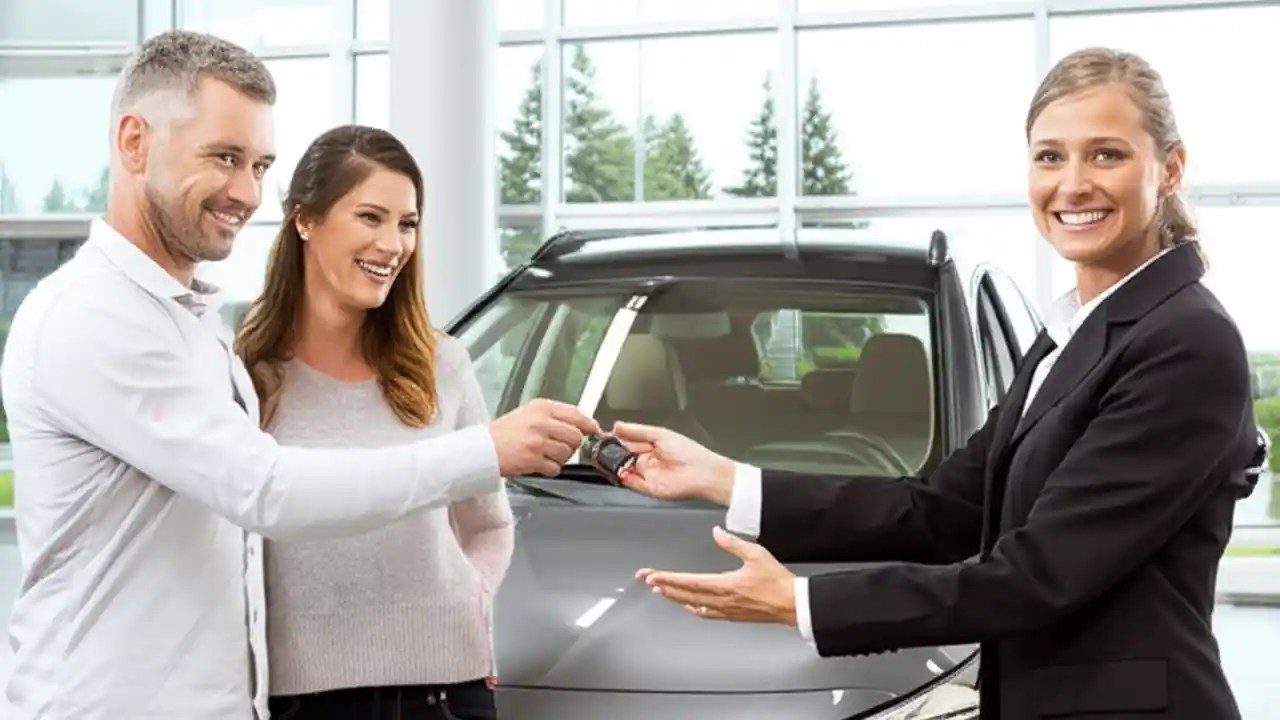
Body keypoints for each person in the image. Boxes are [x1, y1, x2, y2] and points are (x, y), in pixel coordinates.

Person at [611, 47, 1259, 719]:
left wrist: (800, 603)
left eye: (1106, 155)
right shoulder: (1073, 334)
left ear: (1171, 168)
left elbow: (1040, 576)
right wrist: (725, 480)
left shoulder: (1185, 342)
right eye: (1049, 156)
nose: (1071, 185)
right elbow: (941, 511)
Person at [0, 31, 597, 720]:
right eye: (225, 158)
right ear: (134, 143)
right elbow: (268, 490)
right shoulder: (95, 320)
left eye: (260, 164)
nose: (247, 192)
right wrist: (485, 451)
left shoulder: (189, 320)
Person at [232, 124, 511, 719]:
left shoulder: (444, 365)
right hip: (297, 698)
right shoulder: (246, 376)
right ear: (305, 220)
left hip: (445, 692)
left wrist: (472, 600)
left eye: (407, 223)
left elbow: (488, 527)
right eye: (370, 217)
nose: (393, 243)